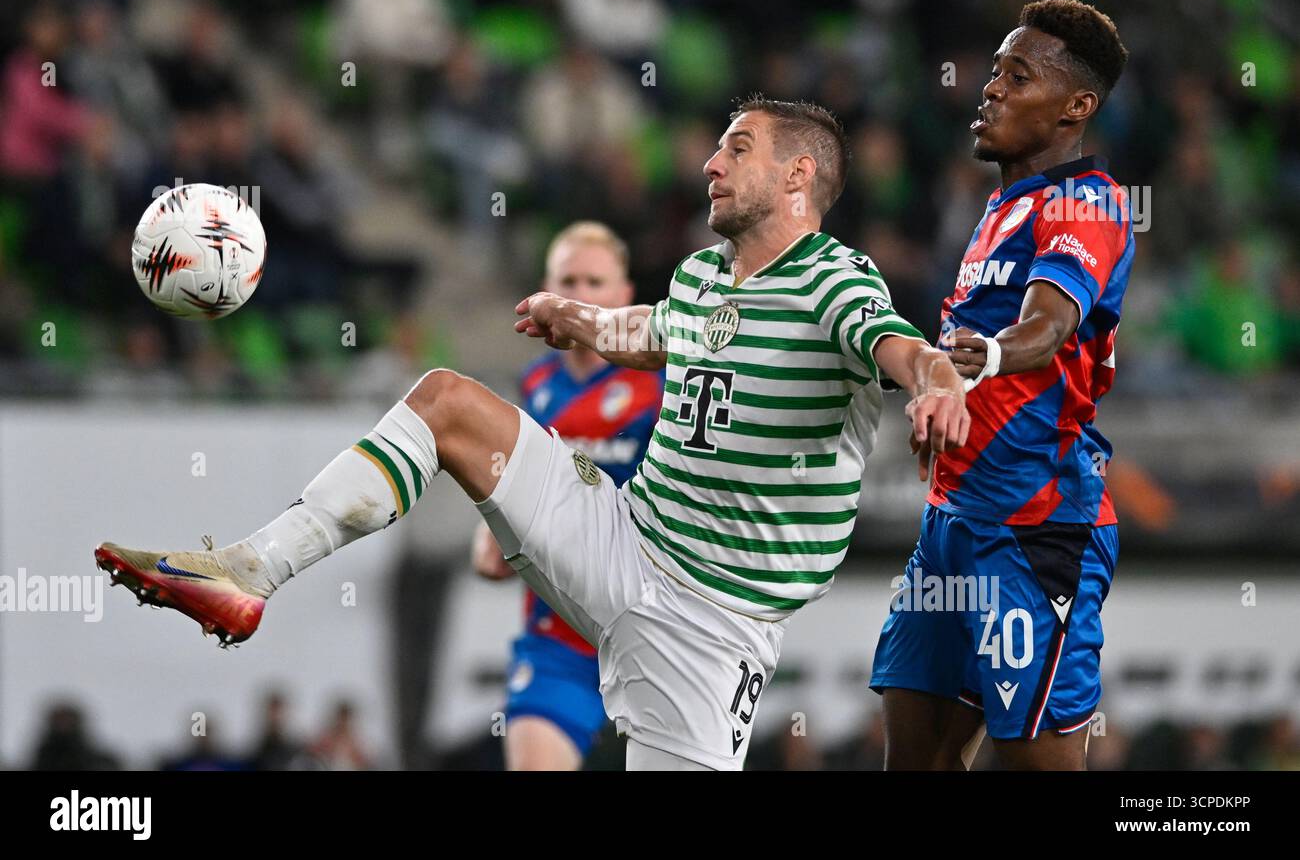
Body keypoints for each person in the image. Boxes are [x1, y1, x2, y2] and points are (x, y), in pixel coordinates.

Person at [96, 95, 969, 771]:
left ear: (798, 176)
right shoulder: (708, 272)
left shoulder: (835, 282)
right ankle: (251, 569)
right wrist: (586, 320)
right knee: (446, 401)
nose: (709, 162)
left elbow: (899, 345)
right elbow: (661, 331)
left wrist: (937, 384)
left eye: (737, 147)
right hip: (625, 535)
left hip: (714, 625)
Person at [869, 0, 1132, 770]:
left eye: (1018, 76)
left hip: (1037, 528)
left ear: (1075, 107)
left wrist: (961, 365)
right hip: (950, 522)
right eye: (993, 72)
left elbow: (1043, 329)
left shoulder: (1086, 202)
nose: (990, 88)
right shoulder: (995, 209)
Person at [471, 221, 664, 770]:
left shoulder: (662, 386)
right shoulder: (535, 386)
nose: (580, 295)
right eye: (568, 281)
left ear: (625, 298)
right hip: (558, 637)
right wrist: (491, 534)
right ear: (544, 292)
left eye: (595, 282)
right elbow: (514, 479)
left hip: (651, 628)